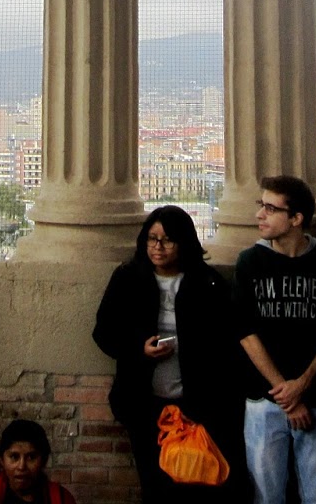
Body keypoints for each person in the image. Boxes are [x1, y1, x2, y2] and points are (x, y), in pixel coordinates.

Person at [93, 205, 245, 501]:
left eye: (167, 239)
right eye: (152, 238)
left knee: (194, 484)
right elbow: (104, 332)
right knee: (154, 484)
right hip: (144, 402)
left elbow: (226, 342)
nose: (158, 247)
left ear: (184, 242)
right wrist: (139, 349)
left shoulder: (207, 283)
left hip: (196, 405)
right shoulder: (128, 278)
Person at [233, 175, 316, 504]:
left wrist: (303, 385)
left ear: (296, 219)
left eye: (270, 208)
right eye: (260, 205)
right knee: (266, 494)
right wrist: (287, 393)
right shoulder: (250, 261)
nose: (259, 215)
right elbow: (245, 331)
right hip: (265, 399)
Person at [0, 419, 77, 504]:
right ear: (2, 460)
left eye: (31, 457)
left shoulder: (60, 499)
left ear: (44, 460)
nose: (21, 466)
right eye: (14, 457)